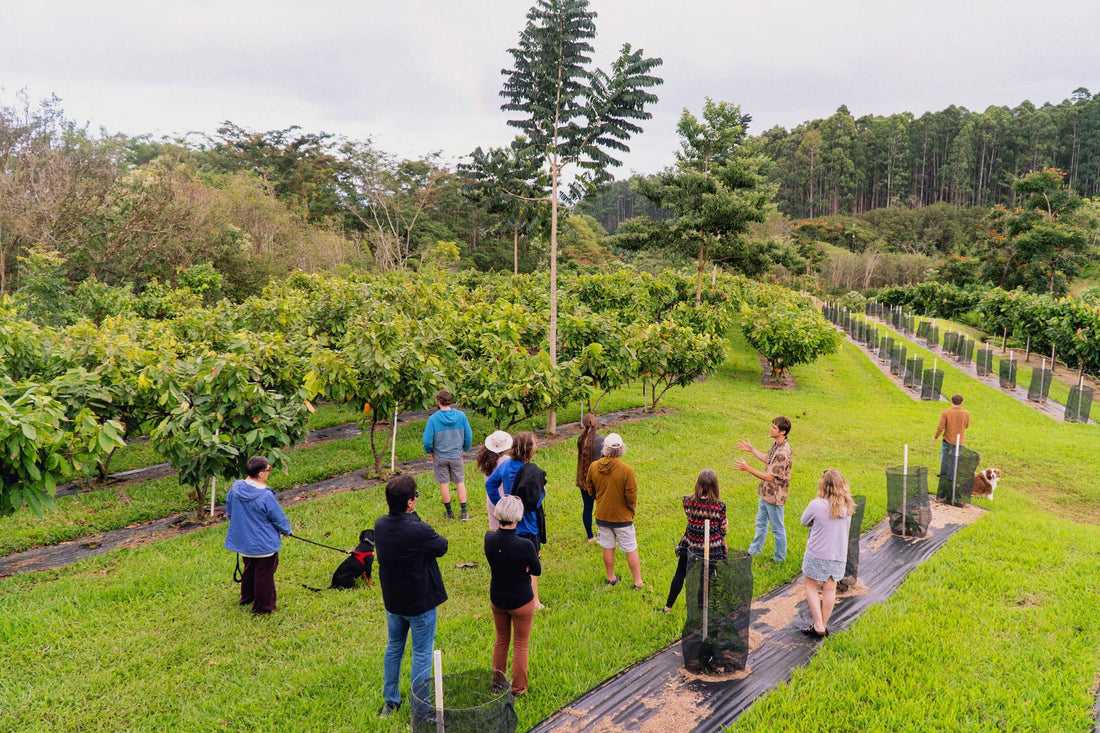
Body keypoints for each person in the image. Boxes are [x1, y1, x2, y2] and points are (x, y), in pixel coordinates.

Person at [374, 475, 449, 718]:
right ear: (409, 503)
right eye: (415, 496)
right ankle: (421, 709)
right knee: (421, 654)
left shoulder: (380, 524)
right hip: (419, 604)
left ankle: (390, 701)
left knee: (394, 647)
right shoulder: (419, 530)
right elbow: (442, 546)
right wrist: (415, 520)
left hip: (393, 602)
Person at [484, 495, 542, 695]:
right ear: (517, 516)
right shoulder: (525, 545)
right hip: (521, 600)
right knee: (520, 644)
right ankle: (519, 688)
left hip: (497, 597)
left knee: (501, 639)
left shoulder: (489, 538)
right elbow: (537, 569)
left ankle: (497, 684)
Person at [224, 456, 292, 615]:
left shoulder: (235, 487)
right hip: (263, 544)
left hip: (243, 541)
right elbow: (277, 517)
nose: (269, 472)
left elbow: (229, 508)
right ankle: (263, 608)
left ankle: (247, 597)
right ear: (261, 474)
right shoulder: (265, 496)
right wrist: (286, 530)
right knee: (264, 575)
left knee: (249, 569)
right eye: (268, 469)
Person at [486, 432, 545, 608]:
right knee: (532, 562)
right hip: (528, 524)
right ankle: (534, 601)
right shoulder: (532, 471)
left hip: (510, 523)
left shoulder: (505, 466)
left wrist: (501, 504)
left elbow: (490, 484)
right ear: (529, 450)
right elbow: (537, 500)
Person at [662, 469, 728, 613]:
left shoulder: (687, 501)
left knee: (680, 573)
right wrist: (724, 539)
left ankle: (668, 606)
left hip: (690, 544)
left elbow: (691, 519)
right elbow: (721, 529)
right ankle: (700, 610)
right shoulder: (720, 506)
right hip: (711, 548)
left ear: (698, 483)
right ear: (715, 486)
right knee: (705, 579)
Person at [799, 468, 855, 638]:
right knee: (830, 589)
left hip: (817, 553)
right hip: (838, 556)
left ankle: (818, 624)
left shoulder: (817, 504)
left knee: (810, 584)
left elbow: (804, 521)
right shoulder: (848, 507)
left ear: (824, 485)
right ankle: (822, 624)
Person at [586, 432, 643, 590]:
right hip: (623, 517)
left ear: (605, 448)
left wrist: (600, 500)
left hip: (602, 515)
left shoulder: (593, 466)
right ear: (621, 449)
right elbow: (631, 496)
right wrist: (631, 510)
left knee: (607, 547)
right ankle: (638, 581)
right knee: (630, 547)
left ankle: (611, 578)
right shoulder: (627, 470)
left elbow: (590, 489)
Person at [734, 416, 793, 563]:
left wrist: (747, 468)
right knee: (760, 523)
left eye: (774, 427)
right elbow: (768, 458)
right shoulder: (776, 444)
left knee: (777, 528)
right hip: (766, 493)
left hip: (774, 496)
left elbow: (769, 477)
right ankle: (754, 552)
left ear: (782, 432)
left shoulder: (783, 452)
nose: (771, 429)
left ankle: (779, 559)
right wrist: (752, 449)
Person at [422, 389, 473, 520]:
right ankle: (464, 512)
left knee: (444, 484)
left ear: (438, 401)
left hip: (440, 456)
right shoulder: (461, 416)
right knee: (460, 482)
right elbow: (468, 436)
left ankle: (449, 513)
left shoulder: (433, 419)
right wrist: (464, 448)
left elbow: (427, 440)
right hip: (456, 455)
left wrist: (430, 451)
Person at [575, 413, 604, 542]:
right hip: (598, 479)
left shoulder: (580, 440)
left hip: (583, 478)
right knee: (601, 507)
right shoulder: (601, 440)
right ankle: (602, 534)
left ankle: (590, 536)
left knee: (587, 507)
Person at [478, 430, 513, 531]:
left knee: (494, 530)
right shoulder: (507, 461)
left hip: (491, 499)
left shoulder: (487, 461)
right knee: (508, 530)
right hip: (505, 501)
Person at [934, 393, 970, 481]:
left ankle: (943, 473)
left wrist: (935, 437)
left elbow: (941, 427)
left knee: (945, 457)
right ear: (961, 402)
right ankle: (951, 477)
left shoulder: (946, 412)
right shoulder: (966, 413)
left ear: (951, 401)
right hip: (959, 440)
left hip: (947, 439)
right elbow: (967, 425)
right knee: (955, 459)